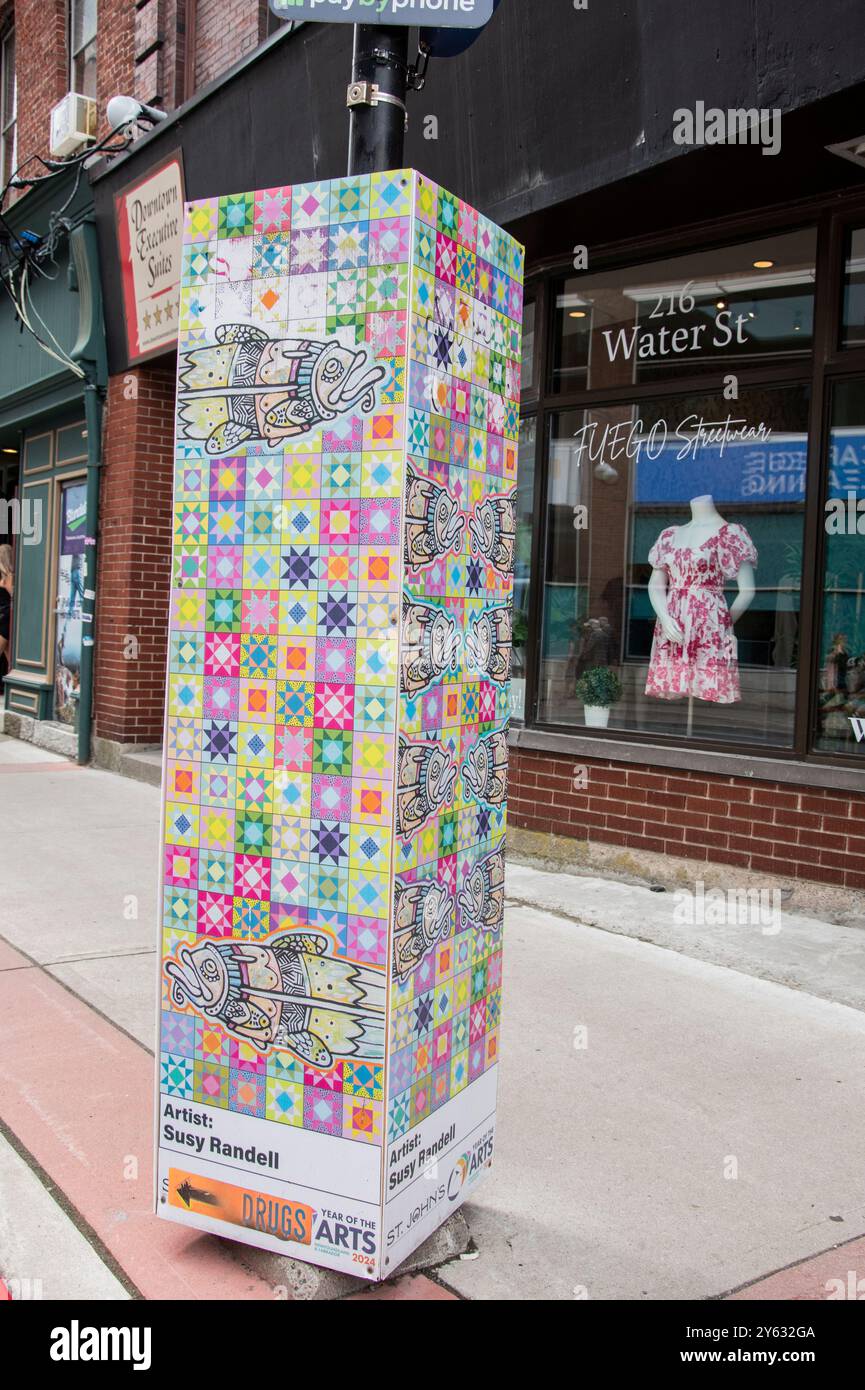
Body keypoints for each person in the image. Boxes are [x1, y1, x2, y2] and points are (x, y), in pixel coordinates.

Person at [0, 543, 13, 684]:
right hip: (3, 617)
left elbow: (14, 595)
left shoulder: (9, 576)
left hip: (5, 619)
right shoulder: (5, 575)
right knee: (10, 657)